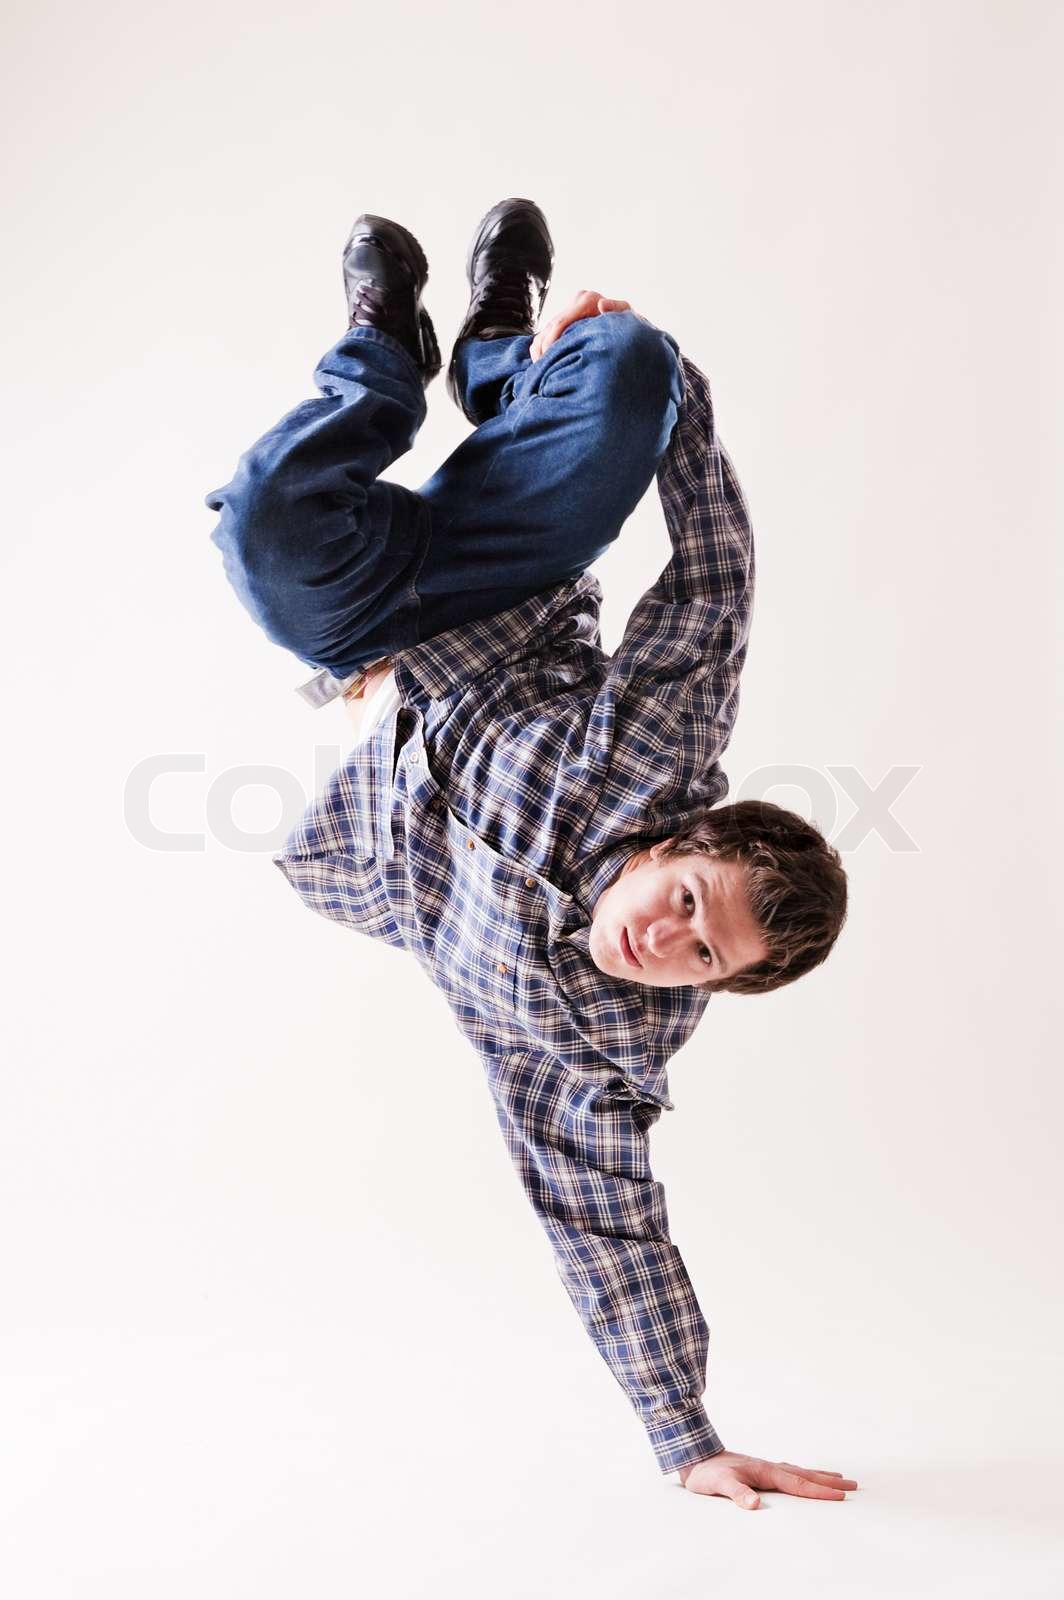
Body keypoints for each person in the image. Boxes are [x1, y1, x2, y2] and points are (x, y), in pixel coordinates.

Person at [204, 199, 856, 1509]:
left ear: (710, 990)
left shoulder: (587, 1046)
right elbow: (717, 573)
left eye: (701, 955)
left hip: (379, 624)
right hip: (508, 567)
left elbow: (611, 1234)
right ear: (681, 841)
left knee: (261, 522)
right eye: (687, 900)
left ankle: (378, 354)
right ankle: (504, 350)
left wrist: (688, 1438)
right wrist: (681, 400)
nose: (666, 939)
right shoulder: (661, 745)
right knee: (635, 366)